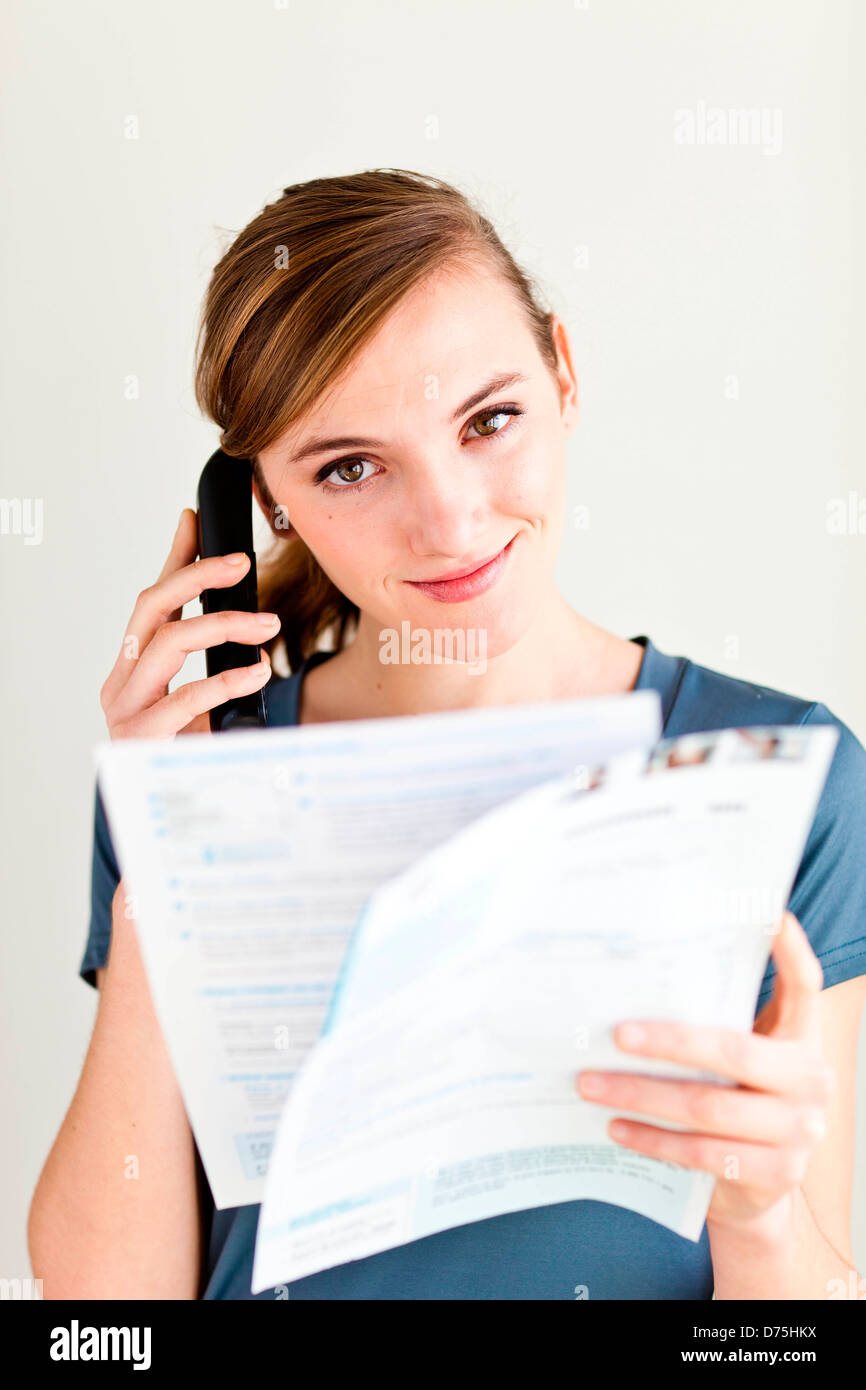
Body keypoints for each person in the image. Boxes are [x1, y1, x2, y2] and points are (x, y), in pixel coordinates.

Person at [28, 169, 866, 1300]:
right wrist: (164, 864)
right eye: (351, 467)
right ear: (264, 501)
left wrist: (759, 1217)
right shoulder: (195, 771)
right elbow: (102, 1316)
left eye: (489, 418)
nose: (451, 518)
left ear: (562, 373)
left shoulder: (792, 775)